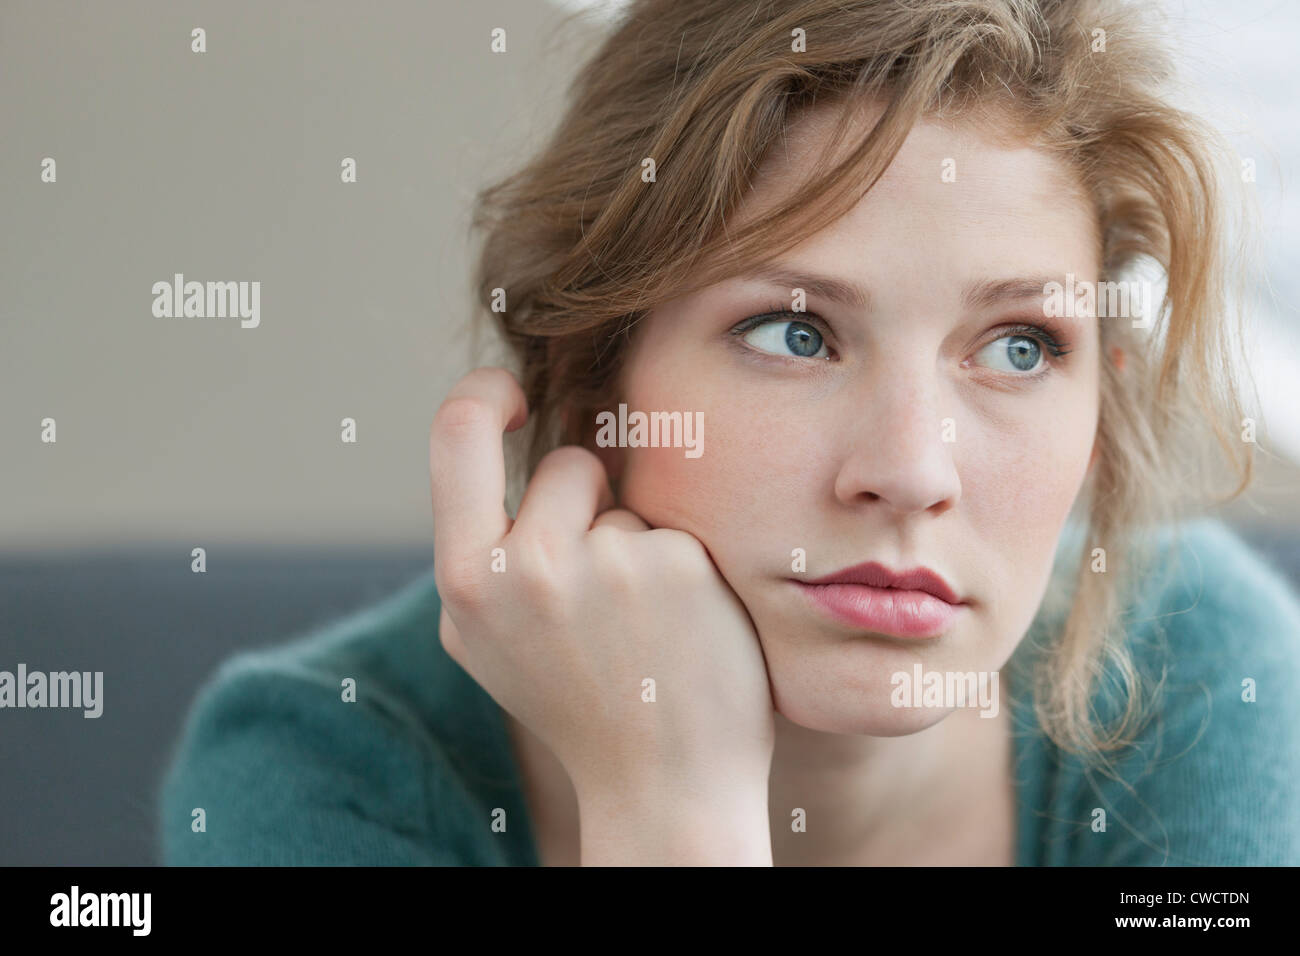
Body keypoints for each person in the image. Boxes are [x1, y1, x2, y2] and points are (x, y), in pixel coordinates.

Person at [159, 0, 1300, 865]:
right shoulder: (324, 764)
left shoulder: (1203, 675)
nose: (909, 471)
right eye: (794, 334)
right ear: (589, 379)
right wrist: (671, 807)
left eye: (1018, 347)